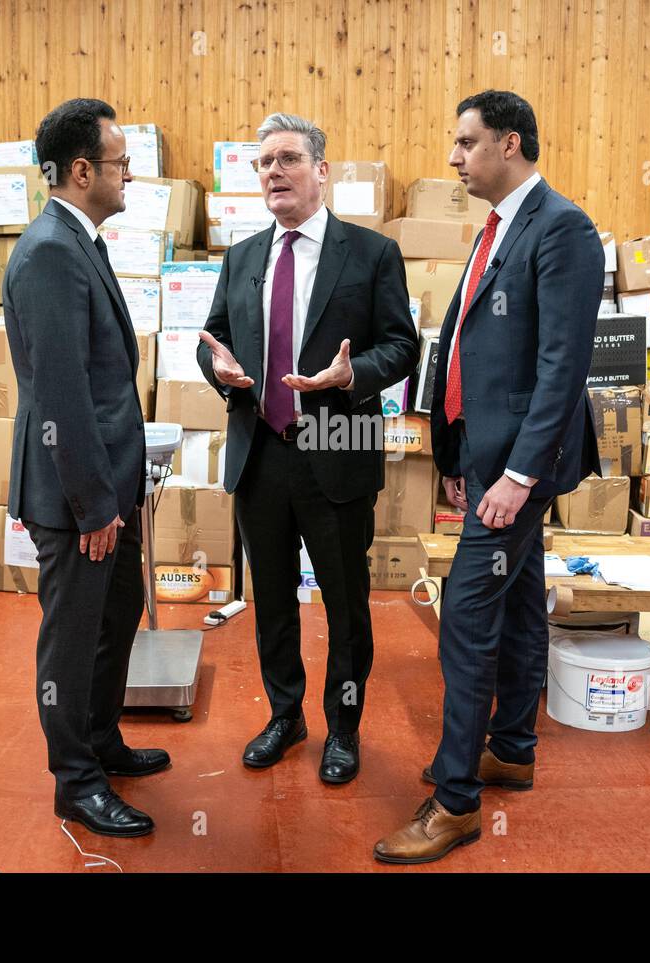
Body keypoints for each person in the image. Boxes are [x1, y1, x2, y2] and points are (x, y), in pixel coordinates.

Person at [374, 90, 604, 863]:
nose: (453, 157)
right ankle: (510, 747)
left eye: (466, 142)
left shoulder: (562, 228)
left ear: (510, 144)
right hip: (486, 455)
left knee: (467, 622)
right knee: (519, 600)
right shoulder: (497, 229)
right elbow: (471, 352)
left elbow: (562, 369)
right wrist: (454, 455)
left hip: (519, 466)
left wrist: (516, 474)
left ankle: (456, 800)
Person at [196, 113, 419, 784]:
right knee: (272, 599)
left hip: (336, 443)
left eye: (288, 158)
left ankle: (343, 727)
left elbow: (402, 345)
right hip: (259, 450)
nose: (273, 171)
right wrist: (222, 372)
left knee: (346, 605)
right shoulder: (241, 257)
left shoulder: (371, 253)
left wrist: (353, 374)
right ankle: (286, 714)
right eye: (264, 162)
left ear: (322, 170)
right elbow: (211, 338)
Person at [2, 98, 168, 838]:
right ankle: (75, 781)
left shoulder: (81, 241)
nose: (127, 173)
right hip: (79, 495)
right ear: (81, 171)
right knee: (72, 638)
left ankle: (101, 740)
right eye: (120, 162)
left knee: (117, 615)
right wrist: (96, 504)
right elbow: (62, 394)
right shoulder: (48, 253)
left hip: (109, 486)